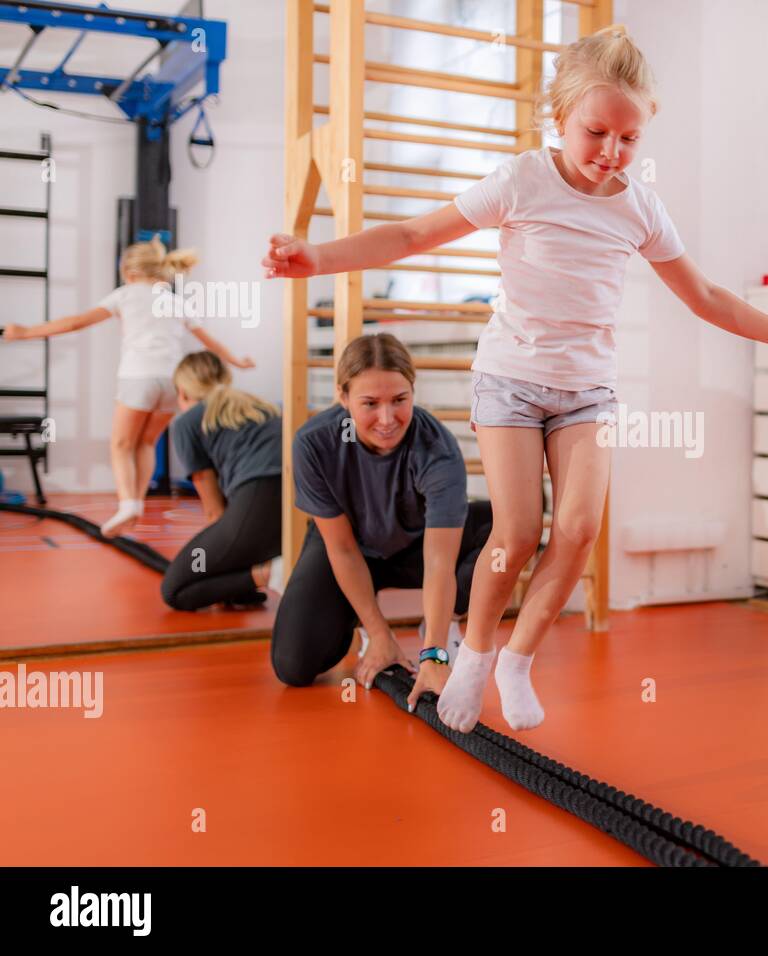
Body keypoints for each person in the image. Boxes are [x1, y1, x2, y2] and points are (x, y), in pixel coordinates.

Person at [262, 25, 768, 730]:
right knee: (520, 530)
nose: (611, 153)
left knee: (576, 528)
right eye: (596, 132)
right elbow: (412, 236)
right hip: (510, 380)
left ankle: (518, 659)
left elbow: (705, 296)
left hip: (587, 390)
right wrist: (316, 257)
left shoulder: (638, 206)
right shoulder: (522, 180)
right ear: (558, 117)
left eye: (629, 140)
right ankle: (473, 656)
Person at [271, 333, 491, 701]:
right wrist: (378, 634)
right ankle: (359, 620)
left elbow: (439, 560)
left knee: (509, 532)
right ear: (343, 396)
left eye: (399, 400)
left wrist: (433, 654)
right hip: (349, 551)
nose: (387, 419)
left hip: (414, 551)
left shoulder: (436, 447)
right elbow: (340, 549)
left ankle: (443, 621)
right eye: (370, 403)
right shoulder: (313, 443)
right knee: (293, 665)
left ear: (412, 391)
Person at [3, 238, 252, 537]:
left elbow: (75, 323)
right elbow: (208, 340)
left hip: (139, 377)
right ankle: (137, 503)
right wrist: (236, 361)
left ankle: (128, 504)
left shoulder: (126, 294)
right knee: (146, 443)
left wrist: (26, 332)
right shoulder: (174, 300)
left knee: (121, 444)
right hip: (174, 382)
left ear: (129, 273)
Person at [161, 350, 283, 611]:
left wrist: (215, 558)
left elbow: (214, 510)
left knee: (175, 589)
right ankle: (257, 577)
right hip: (298, 510)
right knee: (227, 547)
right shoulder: (262, 405)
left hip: (256, 504)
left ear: (182, 392)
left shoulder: (186, 422)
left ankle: (272, 573)